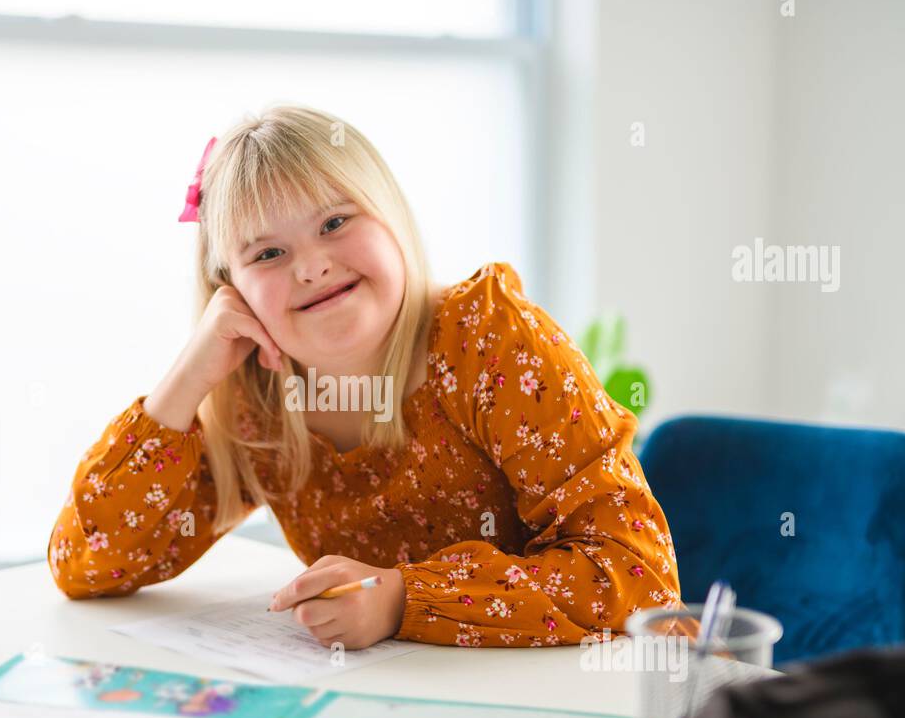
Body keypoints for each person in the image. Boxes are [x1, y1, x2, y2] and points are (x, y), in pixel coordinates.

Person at [48, 104, 682, 650]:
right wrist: (186, 380)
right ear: (229, 290)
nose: (311, 267)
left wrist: (404, 600)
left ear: (389, 215)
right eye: (268, 253)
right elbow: (88, 565)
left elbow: (637, 578)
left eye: (334, 223)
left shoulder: (488, 340)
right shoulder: (258, 399)